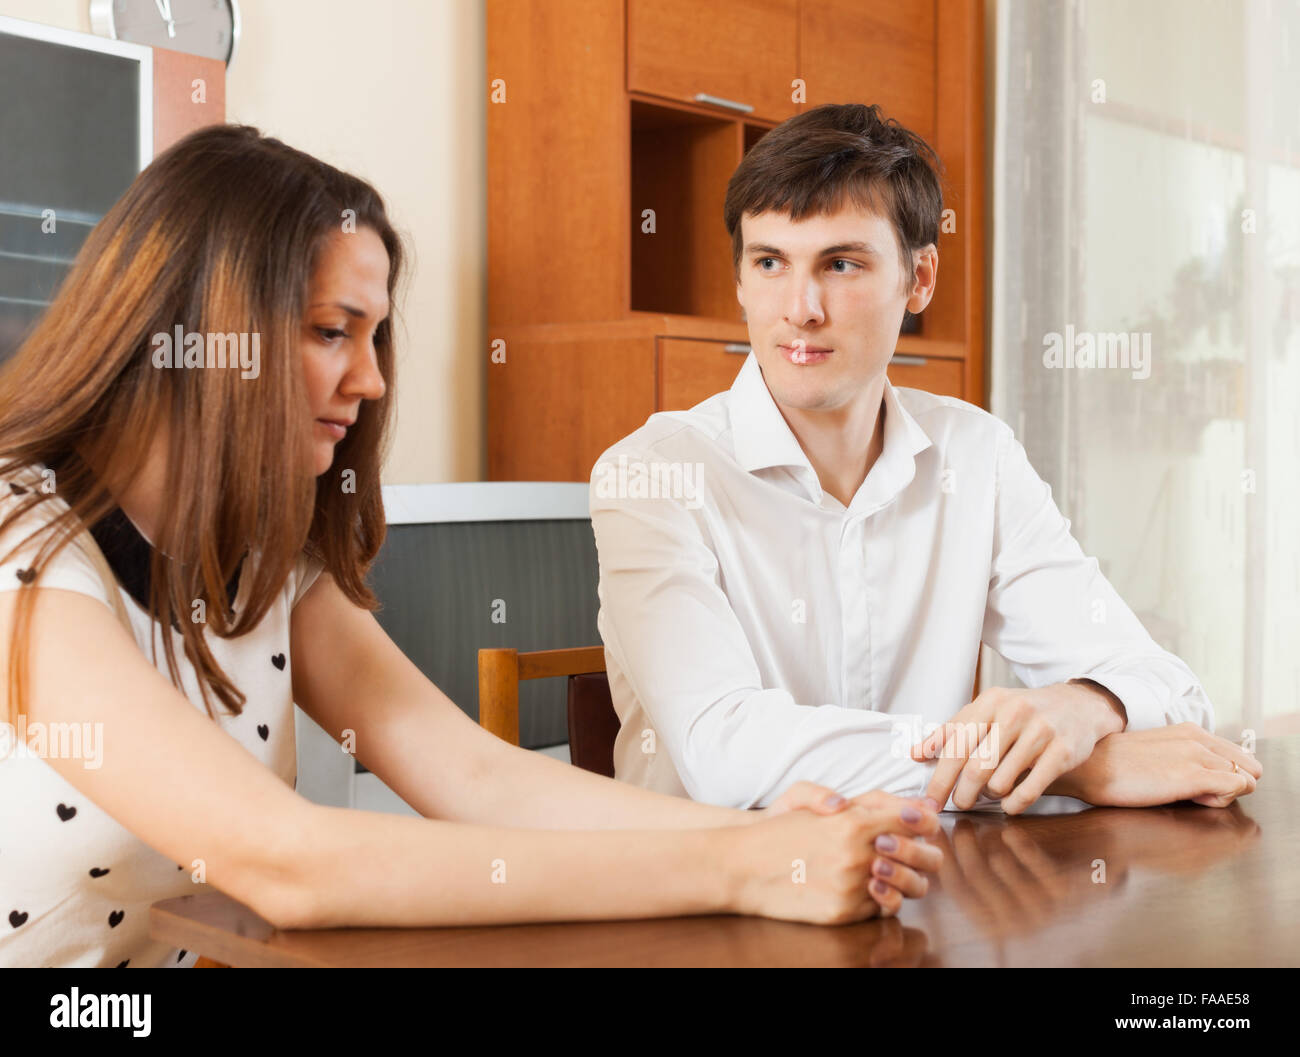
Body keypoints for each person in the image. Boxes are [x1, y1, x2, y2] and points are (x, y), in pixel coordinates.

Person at [0, 124, 943, 970]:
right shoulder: (25, 546)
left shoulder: (276, 558)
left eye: (373, 337)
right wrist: (742, 864)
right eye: (332, 331)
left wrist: (765, 831)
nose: (369, 379)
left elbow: (476, 774)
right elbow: (289, 862)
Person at [589, 103, 1261, 816]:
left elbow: (1167, 686)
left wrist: (1083, 706)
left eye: (841, 263)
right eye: (769, 263)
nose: (800, 307)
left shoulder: (978, 456)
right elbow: (726, 749)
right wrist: (1060, 769)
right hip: (712, 906)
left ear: (921, 278)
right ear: (741, 280)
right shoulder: (652, 476)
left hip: (930, 896)